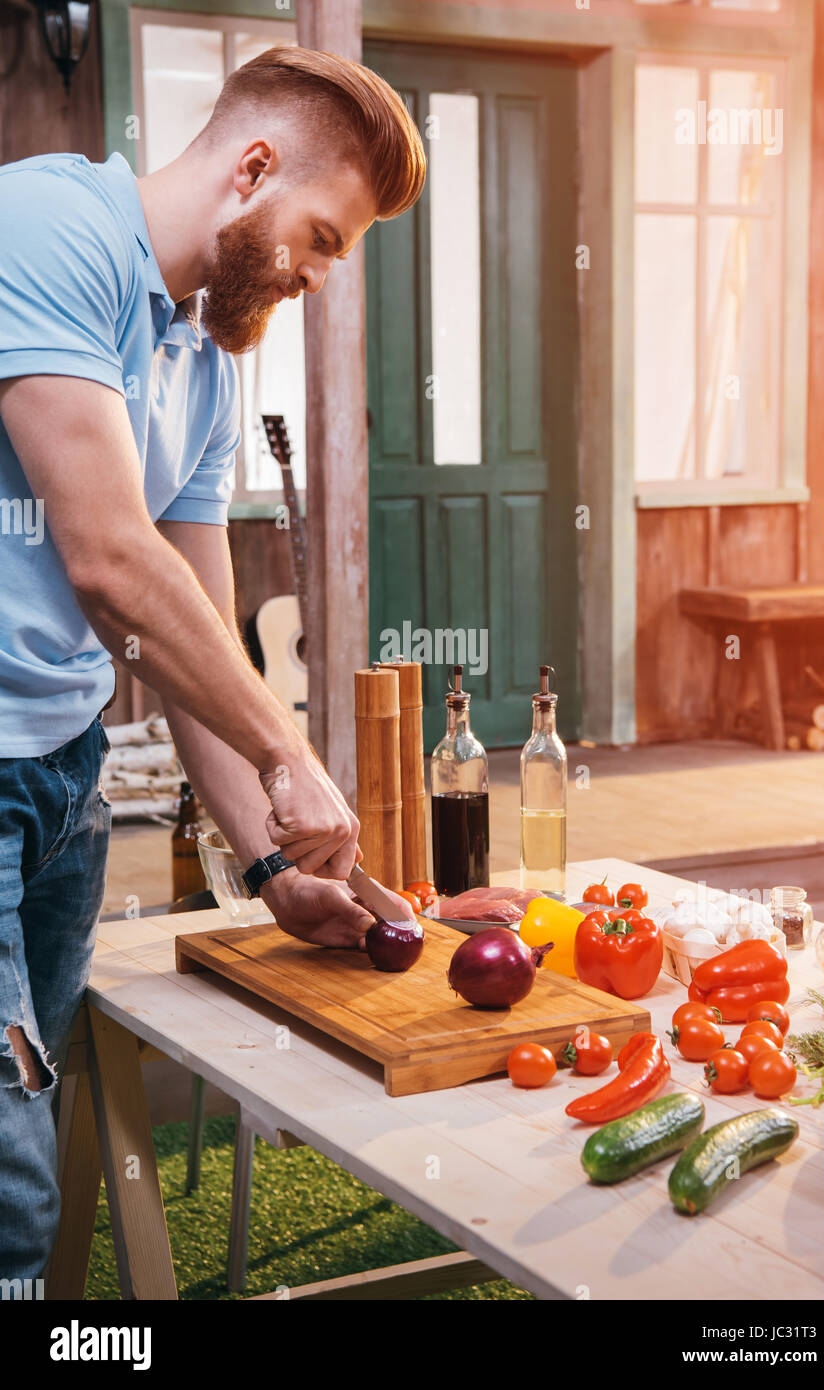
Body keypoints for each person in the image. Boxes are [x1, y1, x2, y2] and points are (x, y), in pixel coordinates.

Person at [0, 46, 426, 1281]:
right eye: (324, 239)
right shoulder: (45, 228)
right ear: (251, 169)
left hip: (64, 782)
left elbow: (188, 629)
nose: (316, 275)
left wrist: (269, 863)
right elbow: (111, 564)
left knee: (33, 1124)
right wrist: (295, 754)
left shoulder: (202, 355)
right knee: (13, 1185)